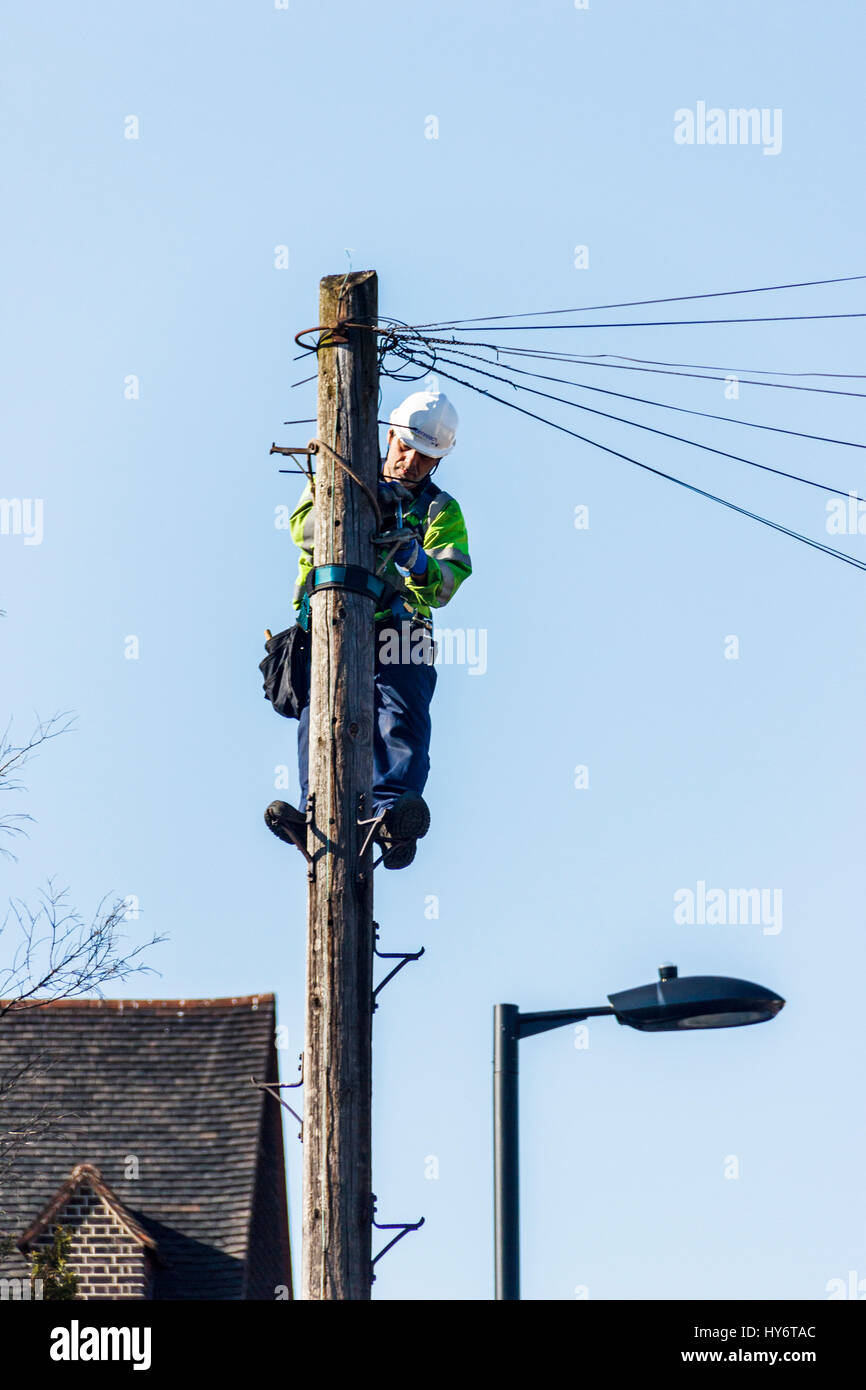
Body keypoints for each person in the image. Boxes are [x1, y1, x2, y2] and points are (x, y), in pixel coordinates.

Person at [266, 389, 471, 868]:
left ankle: (393, 813)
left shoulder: (441, 510)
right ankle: (315, 813)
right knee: (320, 717)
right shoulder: (337, 478)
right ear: (391, 435)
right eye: (406, 448)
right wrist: (356, 511)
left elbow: (446, 583)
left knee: (401, 716)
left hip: (400, 625)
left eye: (425, 458)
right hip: (330, 617)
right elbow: (303, 528)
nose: (411, 463)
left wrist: (416, 562)